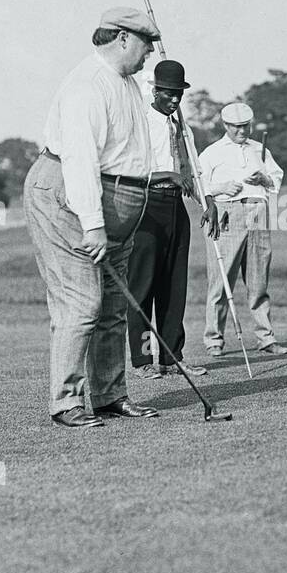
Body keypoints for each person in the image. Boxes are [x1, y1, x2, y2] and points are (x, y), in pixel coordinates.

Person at [23, 7, 163, 428]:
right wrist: (94, 225)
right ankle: (66, 402)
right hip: (71, 198)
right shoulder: (88, 85)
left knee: (113, 307)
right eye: (145, 43)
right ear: (122, 38)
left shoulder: (128, 83)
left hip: (113, 204)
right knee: (82, 304)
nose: (150, 52)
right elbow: (80, 162)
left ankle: (109, 395)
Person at [126, 60, 210, 380]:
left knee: (174, 288)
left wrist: (208, 202)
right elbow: (131, 171)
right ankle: (143, 359)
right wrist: (168, 175)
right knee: (143, 285)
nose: (174, 100)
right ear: (155, 90)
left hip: (177, 208)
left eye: (178, 94)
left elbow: (194, 170)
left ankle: (174, 357)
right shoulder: (140, 122)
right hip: (147, 207)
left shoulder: (181, 126)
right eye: (168, 94)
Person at [198, 102, 287, 356]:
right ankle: (214, 340)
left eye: (245, 126)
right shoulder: (212, 152)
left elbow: (276, 178)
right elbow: (197, 185)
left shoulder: (260, 149)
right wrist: (220, 188)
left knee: (258, 280)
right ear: (225, 126)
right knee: (220, 281)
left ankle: (266, 338)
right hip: (227, 213)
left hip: (258, 212)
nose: (241, 131)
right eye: (236, 127)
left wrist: (264, 179)